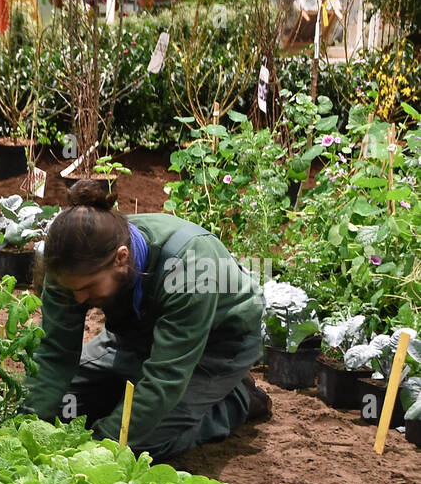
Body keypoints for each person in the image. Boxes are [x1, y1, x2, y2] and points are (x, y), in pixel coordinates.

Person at [24, 180, 270, 460]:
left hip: (218, 344)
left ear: (121, 258)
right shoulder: (68, 265)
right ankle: (141, 391)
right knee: (67, 405)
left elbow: (165, 378)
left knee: (139, 447)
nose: (78, 298)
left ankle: (235, 401)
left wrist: (104, 446)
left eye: (88, 288)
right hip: (138, 337)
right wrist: (28, 424)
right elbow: (55, 354)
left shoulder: (189, 268)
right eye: (72, 289)